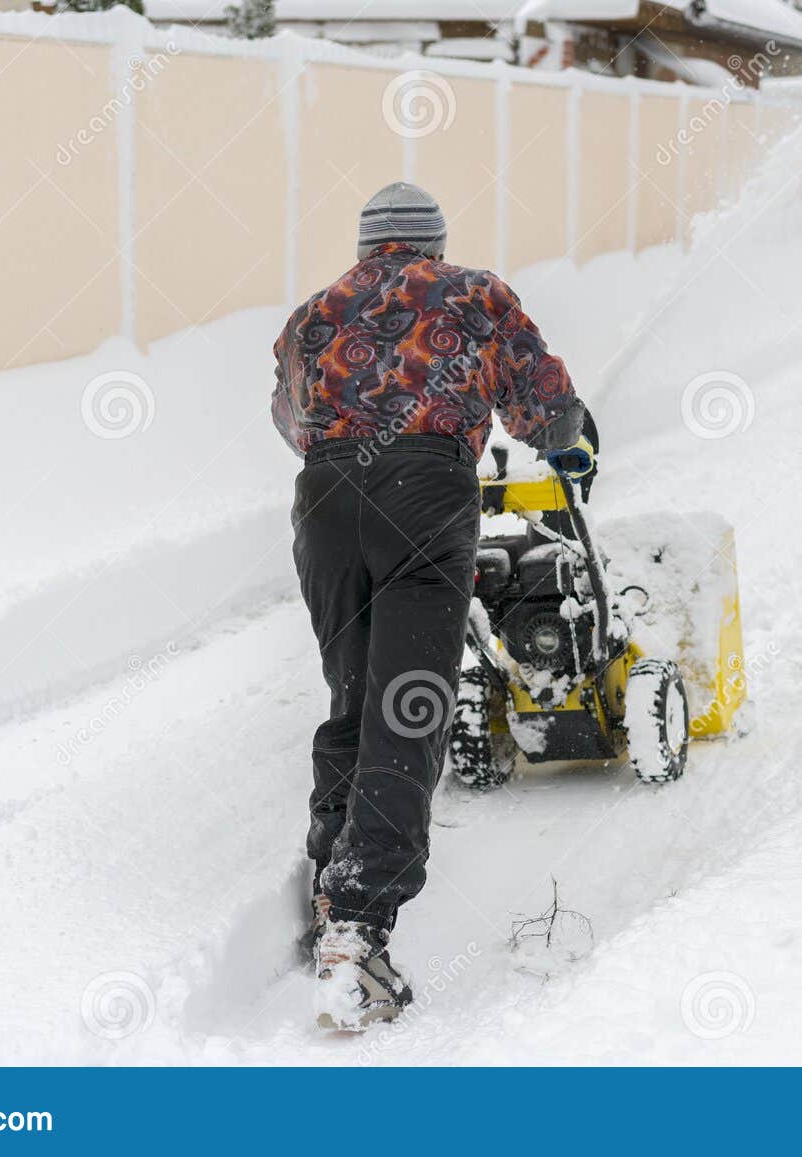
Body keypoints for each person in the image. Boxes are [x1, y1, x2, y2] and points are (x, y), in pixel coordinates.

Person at [270, 182, 595, 1030]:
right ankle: (357, 933)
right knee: (409, 707)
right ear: (435, 245)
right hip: (424, 494)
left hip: (326, 503)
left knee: (356, 695)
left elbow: (290, 418)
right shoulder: (472, 293)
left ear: (365, 245)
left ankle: (329, 886)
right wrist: (570, 442)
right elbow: (542, 394)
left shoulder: (313, 312)